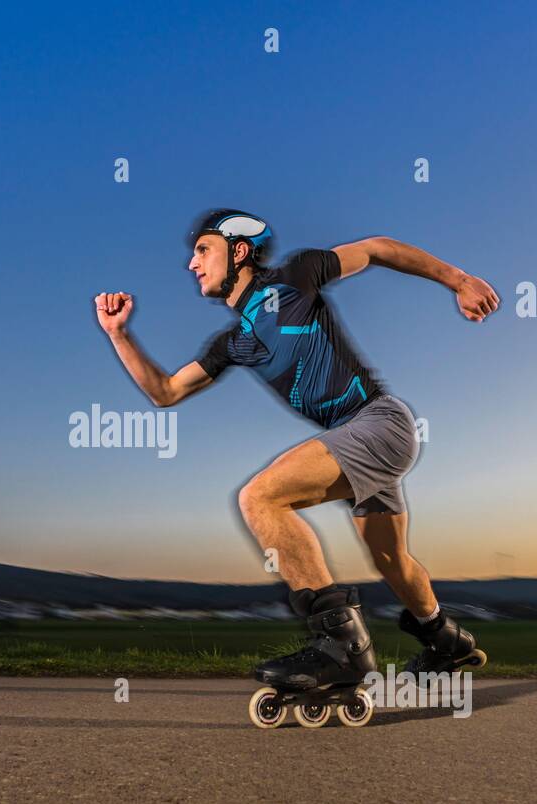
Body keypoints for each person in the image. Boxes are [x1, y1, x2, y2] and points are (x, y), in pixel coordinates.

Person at [94, 209, 500, 690]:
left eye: (203, 250)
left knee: (260, 498)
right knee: (390, 560)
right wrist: (119, 335)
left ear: (238, 250)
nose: (192, 264)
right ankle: (446, 643)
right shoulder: (236, 341)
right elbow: (165, 391)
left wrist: (459, 279)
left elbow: (376, 248)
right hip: (362, 441)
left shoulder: (296, 275)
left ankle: (341, 647)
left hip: (377, 423)